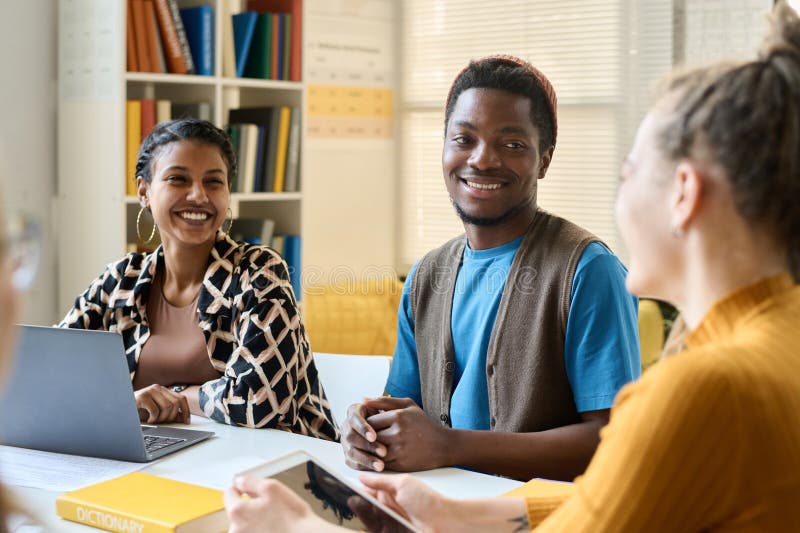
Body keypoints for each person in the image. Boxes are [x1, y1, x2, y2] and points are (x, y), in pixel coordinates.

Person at [223, 1, 800, 530]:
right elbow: (612, 494)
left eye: (629, 171)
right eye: (464, 137)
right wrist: (458, 513)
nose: (483, 159)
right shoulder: (764, 340)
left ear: (683, 194)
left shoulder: (704, 383)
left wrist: (300, 529)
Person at [341, 55, 641, 482]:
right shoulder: (427, 275)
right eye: (464, 139)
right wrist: (368, 430)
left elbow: (614, 442)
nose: (482, 160)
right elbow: (402, 409)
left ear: (545, 159)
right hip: (435, 511)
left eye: (512, 144)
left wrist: (450, 445)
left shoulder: (588, 270)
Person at [59, 118, 338, 440]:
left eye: (213, 182)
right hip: (159, 458)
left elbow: (260, 402)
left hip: (270, 464)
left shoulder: (257, 272)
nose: (198, 196)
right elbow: (52, 372)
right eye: (178, 179)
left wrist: (173, 395)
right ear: (144, 191)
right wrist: (129, 402)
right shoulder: (120, 281)